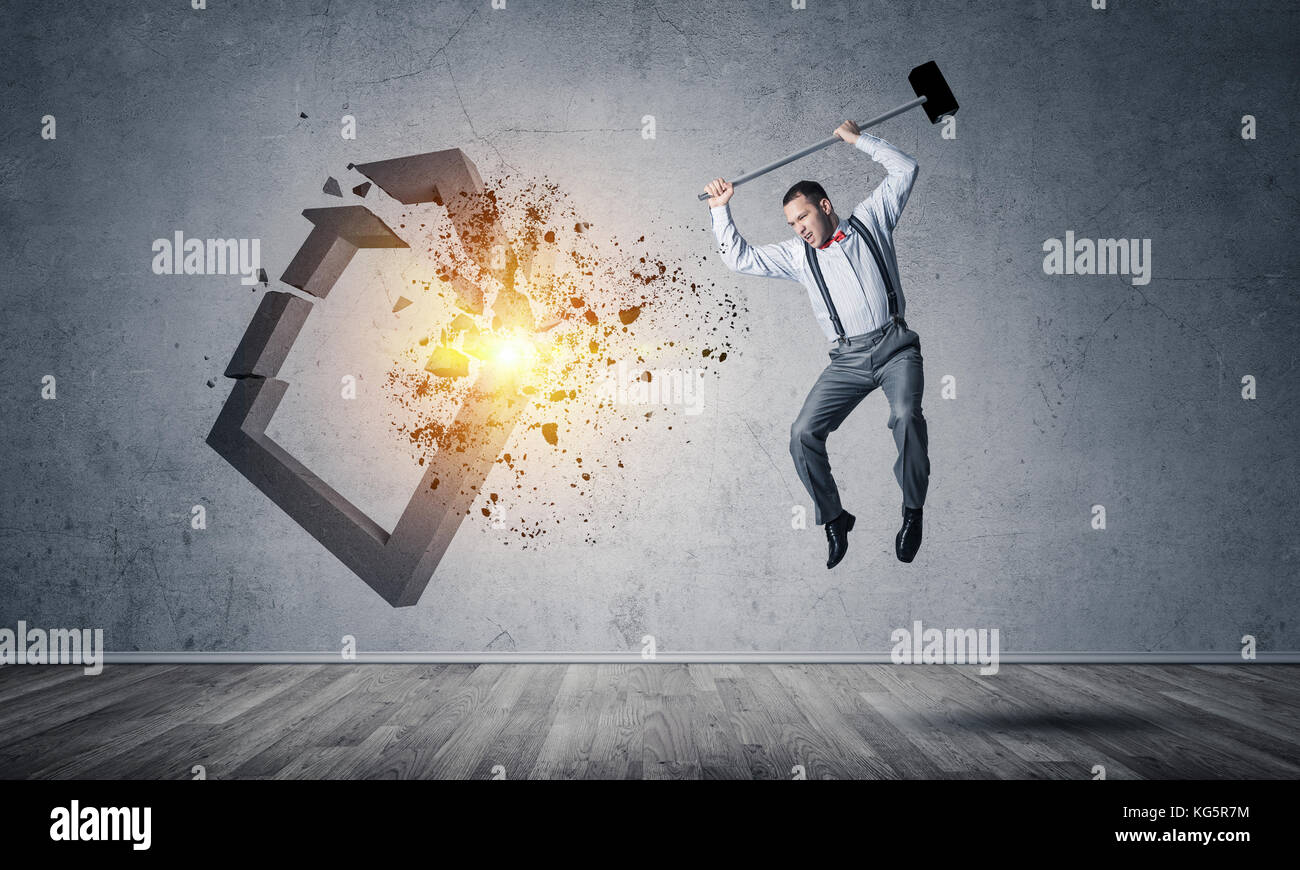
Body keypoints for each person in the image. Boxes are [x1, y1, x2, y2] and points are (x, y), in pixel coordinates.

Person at [704, 120, 929, 569]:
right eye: (792, 223)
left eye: (803, 216)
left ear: (825, 206)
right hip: (846, 360)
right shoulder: (796, 256)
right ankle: (834, 517)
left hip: (895, 347)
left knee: (906, 416)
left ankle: (912, 509)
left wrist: (858, 139)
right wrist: (720, 209)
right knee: (802, 434)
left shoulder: (871, 221)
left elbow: (905, 170)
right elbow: (738, 258)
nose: (799, 228)